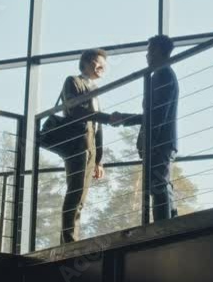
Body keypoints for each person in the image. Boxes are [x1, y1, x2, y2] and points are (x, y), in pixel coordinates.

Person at [112, 35, 179, 222]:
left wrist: (149, 142)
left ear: (157, 51)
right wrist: (125, 118)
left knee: (158, 186)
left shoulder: (162, 74)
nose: (147, 55)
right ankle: (167, 223)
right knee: (160, 185)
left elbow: (156, 114)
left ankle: (163, 228)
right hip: (160, 141)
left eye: (149, 51)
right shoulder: (163, 74)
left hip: (159, 142)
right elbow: (154, 114)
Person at [59, 48, 111, 243]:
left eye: (104, 65)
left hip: (90, 149)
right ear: (87, 63)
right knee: (75, 192)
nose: (103, 67)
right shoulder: (73, 81)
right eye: (99, 63)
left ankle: (71, 239)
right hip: (76, 145)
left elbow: (97, 128)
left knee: (81, 195)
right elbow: (75, 111)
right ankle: (69, 241)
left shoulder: (95, 90)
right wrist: (105, 117)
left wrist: (98, 160)